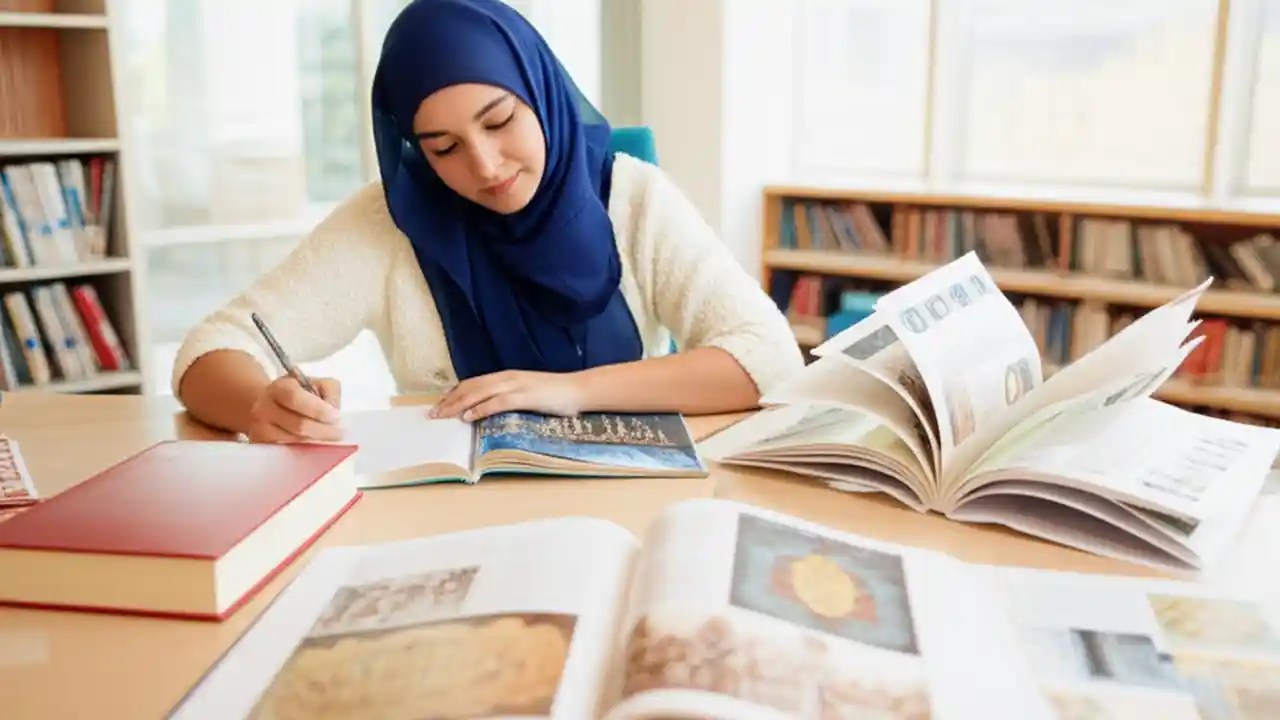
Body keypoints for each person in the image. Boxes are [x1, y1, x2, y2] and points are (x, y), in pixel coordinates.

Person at [173, 0, 804, 443]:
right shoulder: (389, 220)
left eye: (500, 121)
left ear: (540, 93)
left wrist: (572, 391)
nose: (485, 165)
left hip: (622, 503)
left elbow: (769, 358)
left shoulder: (634, 198)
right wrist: (259, 403)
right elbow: (211, 347)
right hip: (457, 516)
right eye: (443, 148)